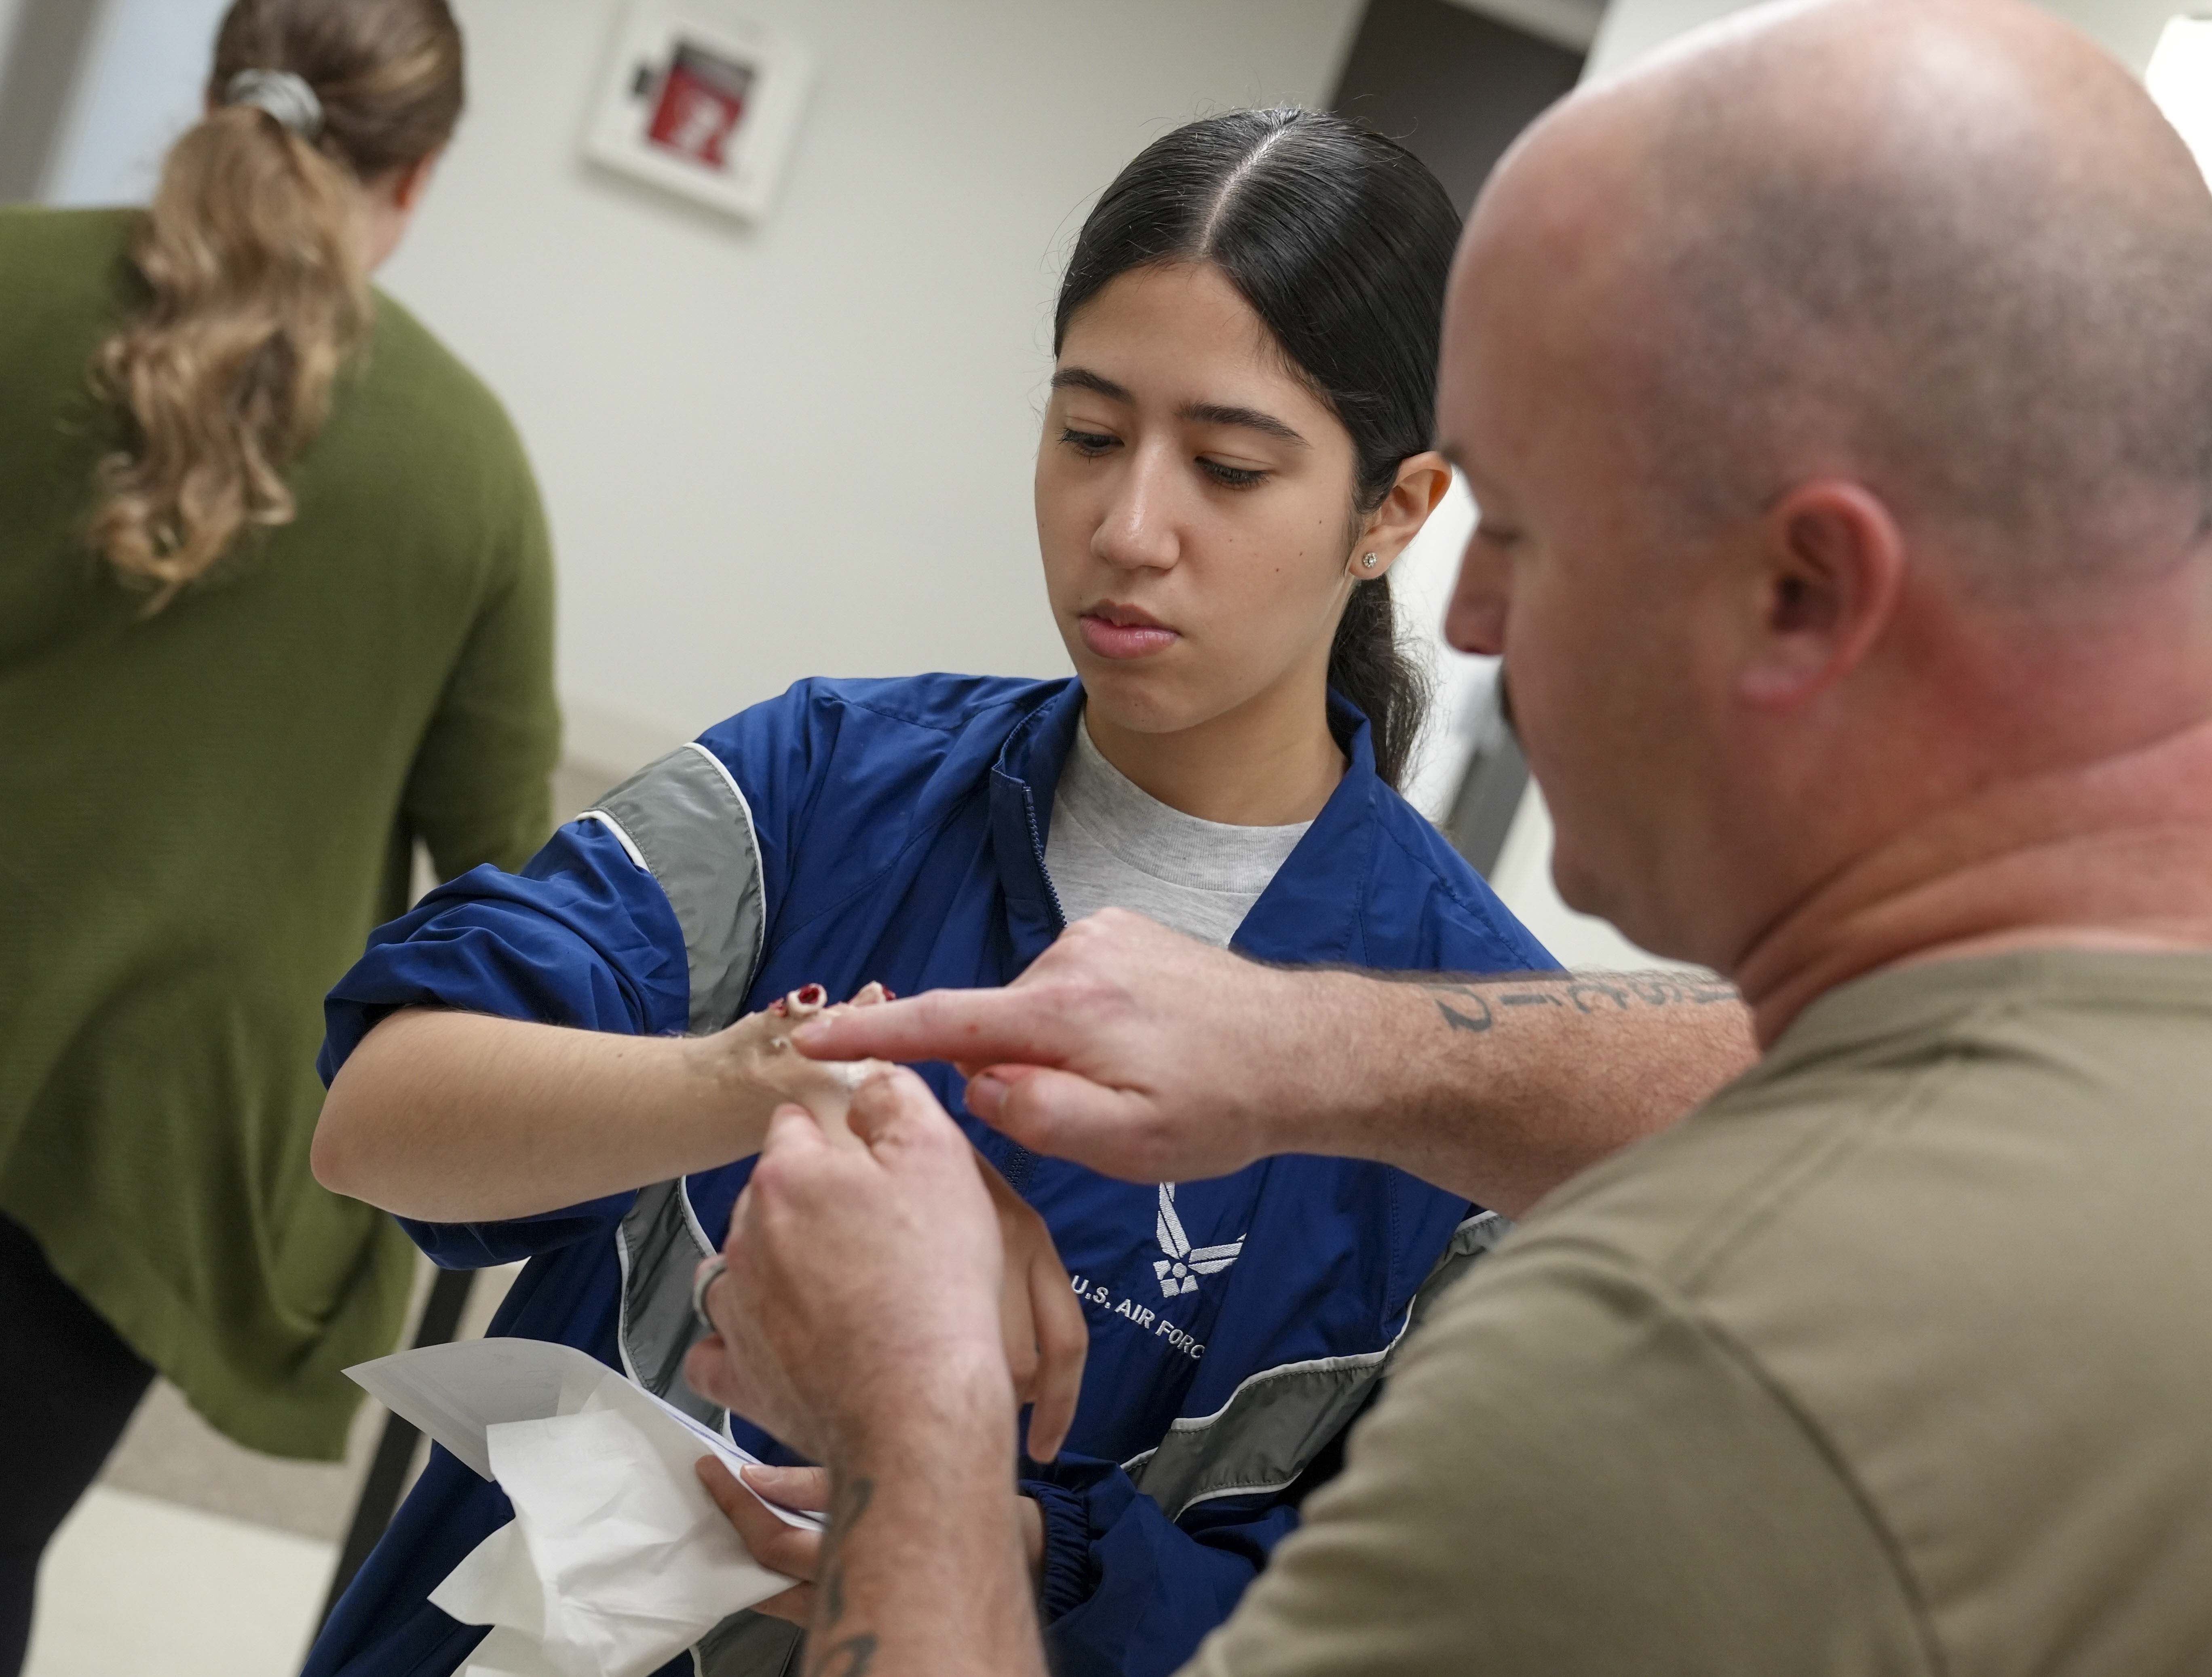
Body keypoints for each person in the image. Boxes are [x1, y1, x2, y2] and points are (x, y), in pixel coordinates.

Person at [680, 0, 2212, 1672]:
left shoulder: (1673, 1369)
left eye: (1524, 534)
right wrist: (1334, 1052)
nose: (1470, 622)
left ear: (1804, 591)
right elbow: (1962, 1064)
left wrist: (916, 1421)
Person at [303, 109, 1746, 1677]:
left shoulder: (1462, 1068)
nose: (1127, 531)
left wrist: (1014, 1546)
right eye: (1088, 436)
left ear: (1392, 512)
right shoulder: (824, 779)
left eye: (1228, 467)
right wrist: (771, 1086)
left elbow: (1386, 1620)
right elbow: (379, 1118)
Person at [0, 1, 555, 1669]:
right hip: (155, 1134)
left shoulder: (14, 285)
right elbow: (505, 884)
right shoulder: (469, 472)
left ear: (217, 88)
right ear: (420, 173)